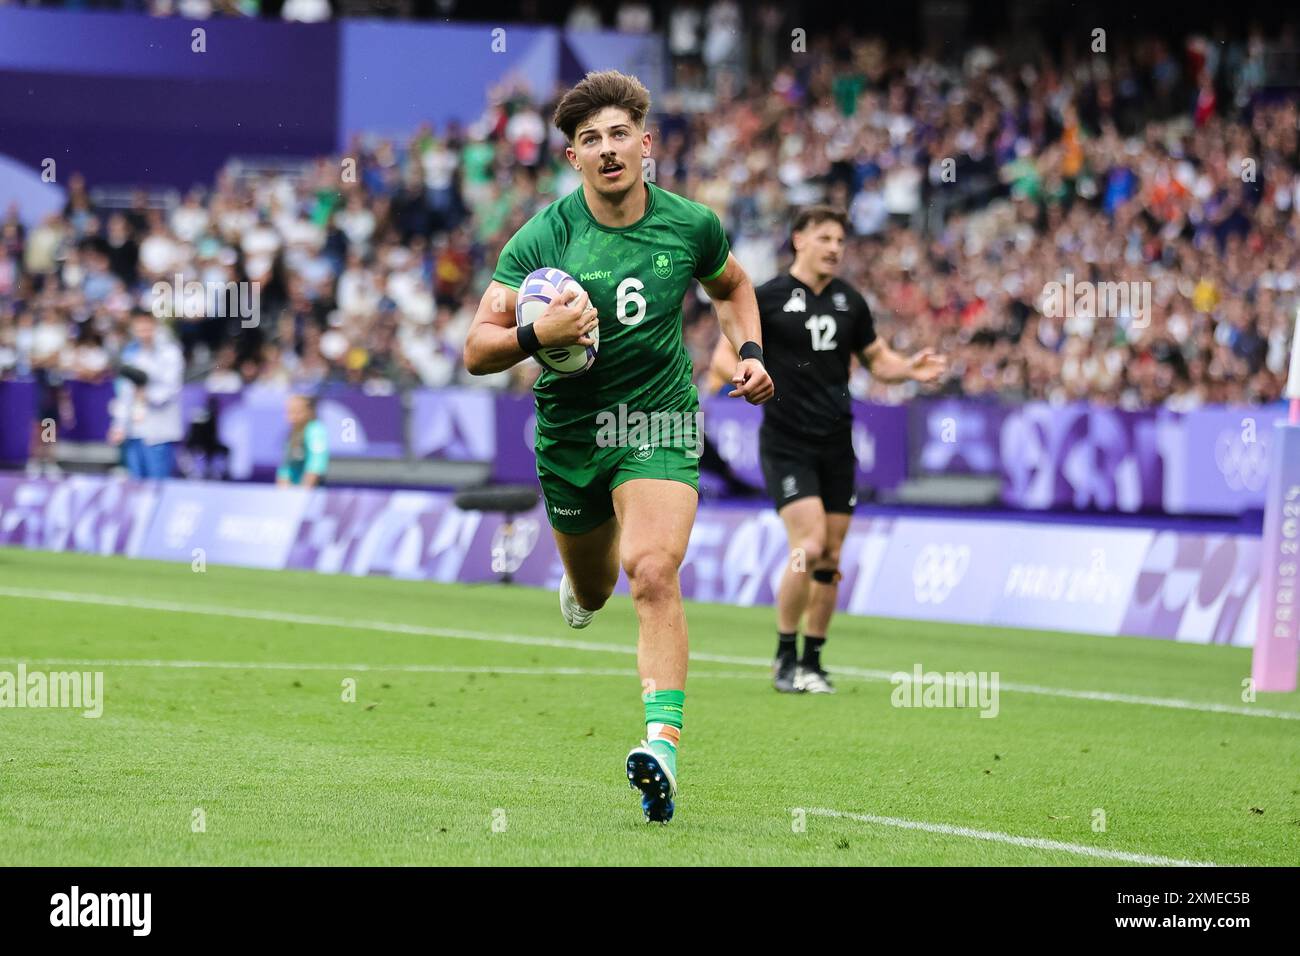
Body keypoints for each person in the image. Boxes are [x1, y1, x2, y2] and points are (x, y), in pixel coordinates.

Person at [463, 70, 773, 824]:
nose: (607, 149)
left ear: (646, 143)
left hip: (657, 422)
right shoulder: (544, 237)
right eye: (590, 139)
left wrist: (752, 352)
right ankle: (580, 585)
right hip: (572, 434)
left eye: (619, 135)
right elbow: (476, 349)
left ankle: (661, 747)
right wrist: (538, 333)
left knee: (654, 570)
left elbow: (733, 288)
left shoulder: (690, 225)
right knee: (597, 589)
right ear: (572, 157)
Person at [709, 206, 946, 693]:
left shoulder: (849, 301)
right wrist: (732, 378)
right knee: (809, 545)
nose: (835, 248)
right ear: (799, 239)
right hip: (786, 443)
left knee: (831, 556)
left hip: (837, 444)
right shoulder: (767, 297)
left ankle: (812, 661)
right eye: (825, 238)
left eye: (840, 240)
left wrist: (909, 368)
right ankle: (784, 654)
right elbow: (723, 356)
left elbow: (877, 360)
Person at [108, 310, 184, 480]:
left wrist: (146, 394)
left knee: (158, 482)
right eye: (139, 327)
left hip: (158, 430)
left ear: (155, 326)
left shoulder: (169, 352)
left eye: (147, 327)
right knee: (135, 483)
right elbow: (125, 394)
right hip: (134, 429)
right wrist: (118, 425)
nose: (143, 331)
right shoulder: (130, 354)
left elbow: (171, 388)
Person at [276, 393, 329, 487]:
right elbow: (285, 466)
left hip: (311, 492)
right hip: (292, 491)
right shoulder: (292, 432)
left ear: (309, 412)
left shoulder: (316, 430)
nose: (292, 417)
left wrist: (302, 492)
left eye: (297, 412)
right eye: (289, 412)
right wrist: (284, 490)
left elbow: (316, 465)